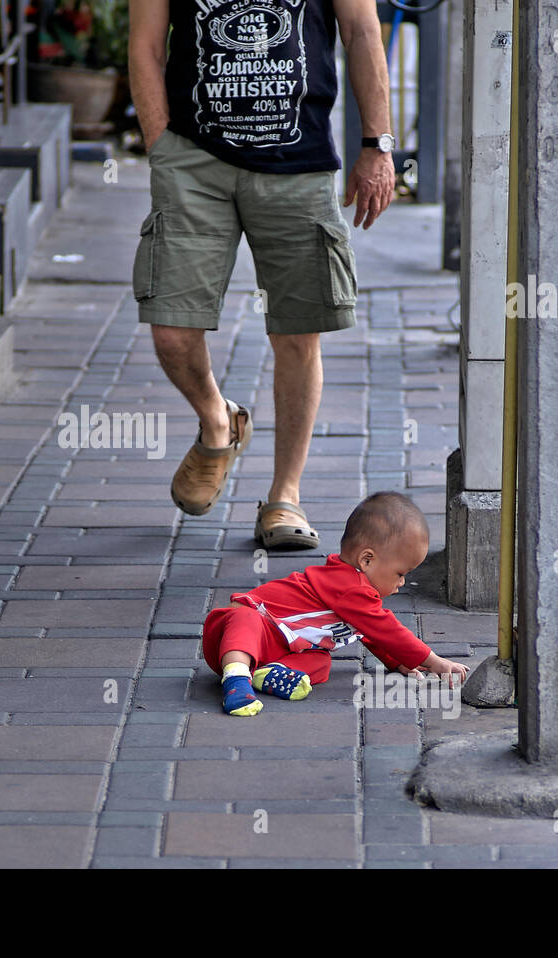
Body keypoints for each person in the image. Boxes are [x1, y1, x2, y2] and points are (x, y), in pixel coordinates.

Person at [128, 0, 398, 548]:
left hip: (298, 165)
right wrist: (162, 148)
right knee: (172, 330)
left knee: (298, 333)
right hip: (193, 161)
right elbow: (146, 45)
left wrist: (377, 146)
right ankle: (217, 419)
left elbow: (362, 29)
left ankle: (285, 496)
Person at [202, 492, 469, 716]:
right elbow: (385, 629)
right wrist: (433, 661)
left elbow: (372, 634)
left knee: (321, 662)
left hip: (277, 648)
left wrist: (398, 662)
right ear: (367, 560)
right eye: (400, 573)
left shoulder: (357, 596)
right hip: (236, 635)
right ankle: (236, 680)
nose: (402, 582)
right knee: (246, 618)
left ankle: (267, 674)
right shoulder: (348, 586)